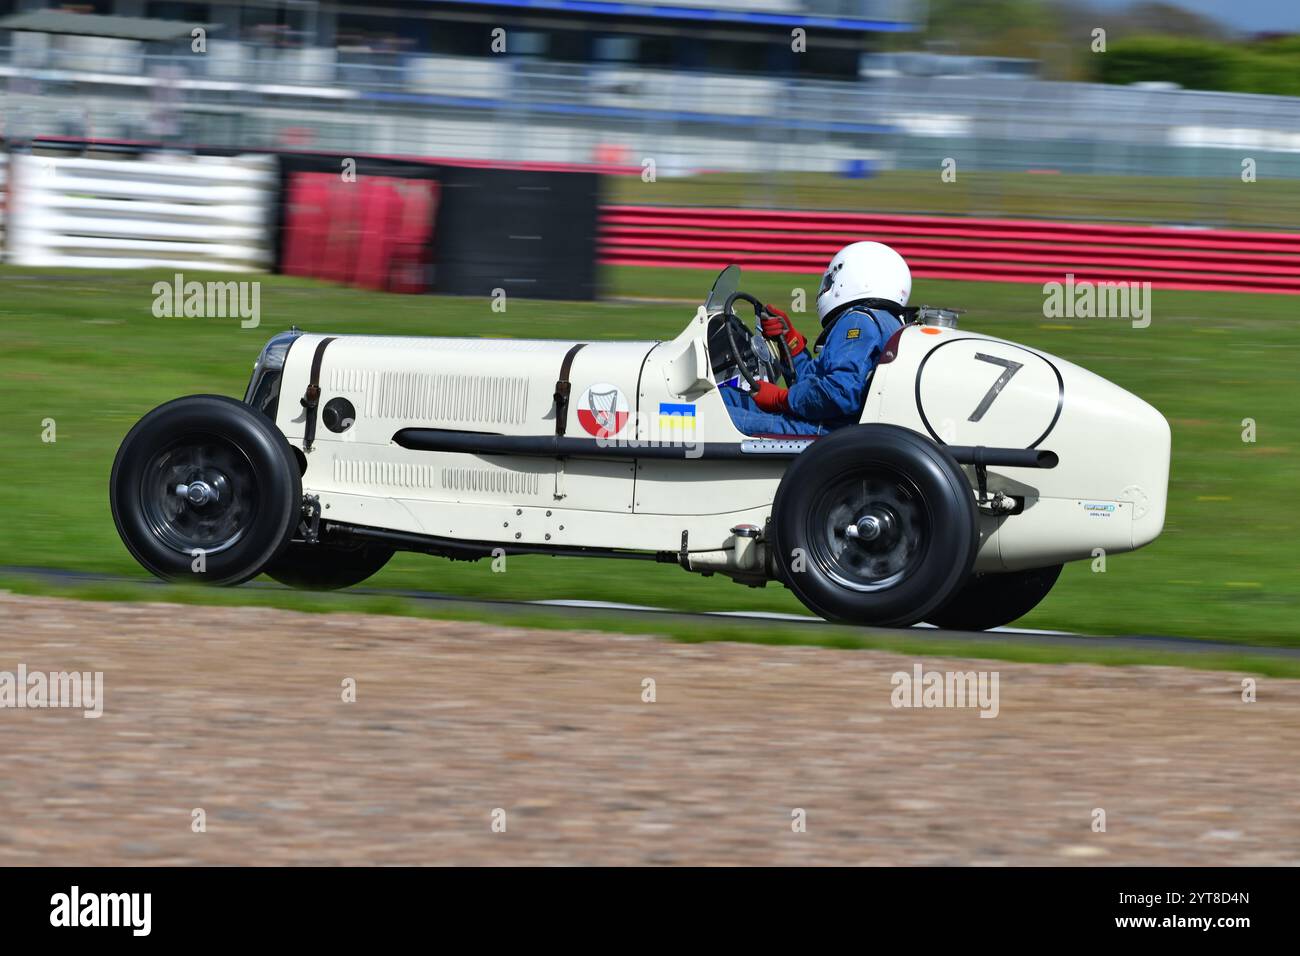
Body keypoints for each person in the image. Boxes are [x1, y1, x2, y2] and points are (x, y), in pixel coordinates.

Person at [720, 241, 911, 436]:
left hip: (826, 431)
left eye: (830, 281)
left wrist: (781, 399)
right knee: (726, 398)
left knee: (711, 412)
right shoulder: (888, 322)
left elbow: (840, 392)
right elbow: (816, 385)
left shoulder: (858, 321)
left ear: (854, 279)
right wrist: (790, 341)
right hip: (834, 425)